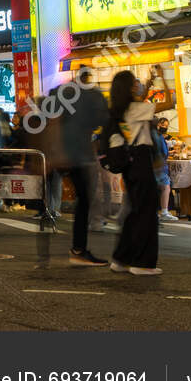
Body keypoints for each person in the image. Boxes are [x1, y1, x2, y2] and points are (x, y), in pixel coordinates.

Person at [106, 68, 172, 275]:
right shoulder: (136, 109)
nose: (138, 84)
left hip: (130, 164)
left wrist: (150, 81)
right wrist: (163, 79)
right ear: (129, 87)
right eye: (135, 82)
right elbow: (170, 103)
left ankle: (121, 259)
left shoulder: (120, 109)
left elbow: (141, 99)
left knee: (135, 213)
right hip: (141, 162)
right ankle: (142, 263)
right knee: (146, 214)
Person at [53, 67, 109, 265]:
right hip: (79, 154)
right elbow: (102, 120)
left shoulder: (62, 92)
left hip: (62, 153)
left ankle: (78, 249)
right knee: (85, 198)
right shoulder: (93, 96)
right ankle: (78, 249)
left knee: (82, 198)